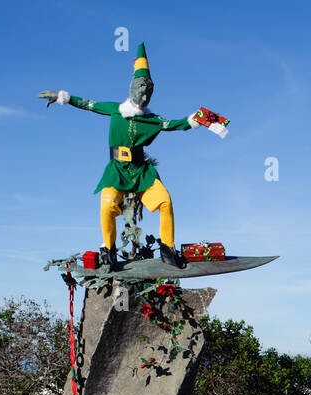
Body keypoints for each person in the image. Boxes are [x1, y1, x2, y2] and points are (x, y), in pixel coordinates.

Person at [40, 43, 206, 271]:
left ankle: (168, 250)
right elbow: (88, 104)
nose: (144, 94)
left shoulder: (152, 120)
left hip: (141, 171)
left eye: (149, 91)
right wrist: (63, 98)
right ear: (131, 88)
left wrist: (198, 118)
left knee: (165, 201)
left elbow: (175, 124)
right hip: (117, 170)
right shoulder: (114, 109)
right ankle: (109, 253)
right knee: (107, 206)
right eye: (141, 88)